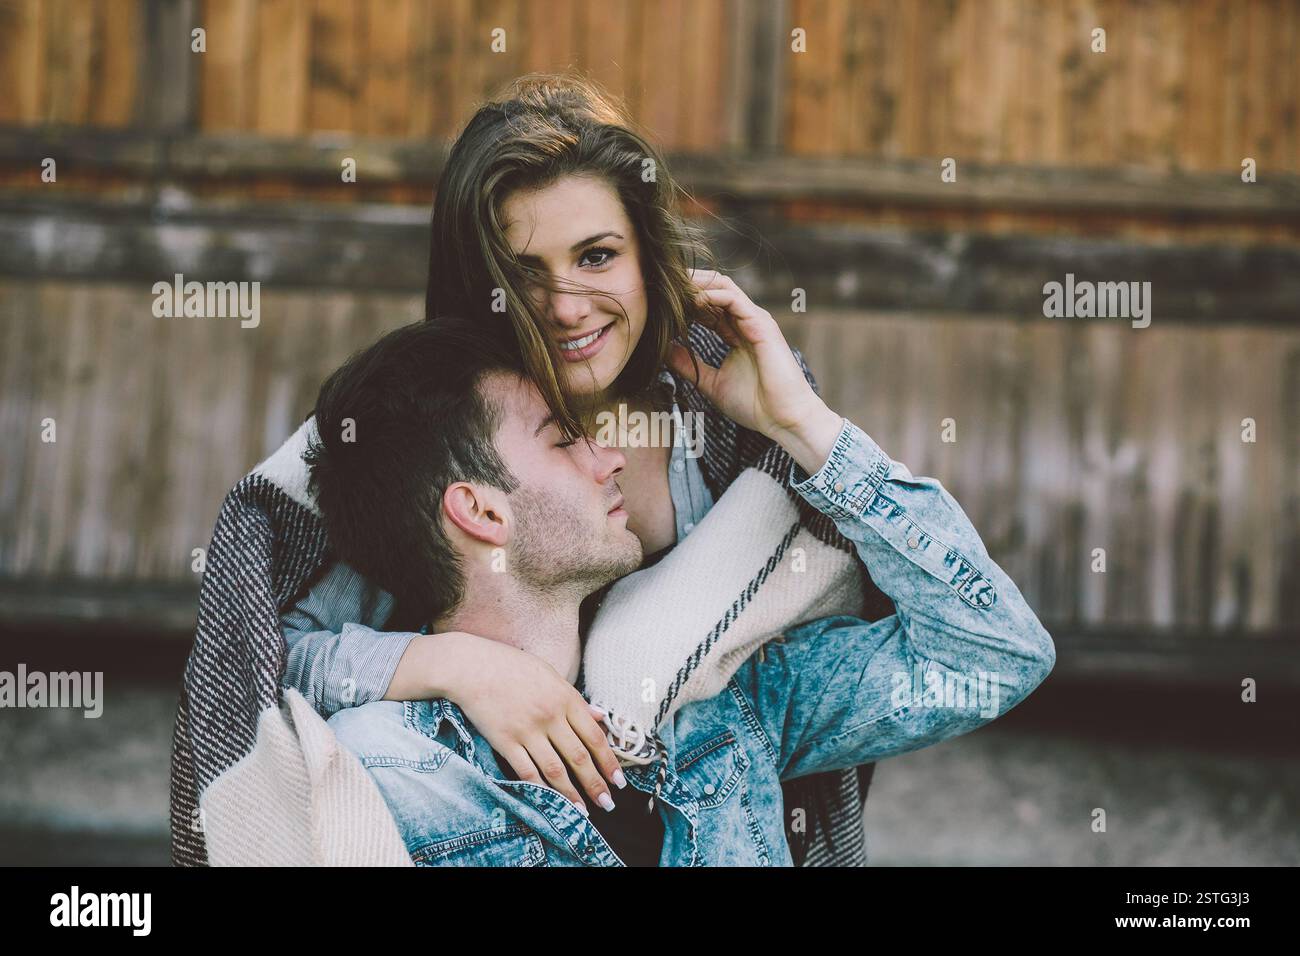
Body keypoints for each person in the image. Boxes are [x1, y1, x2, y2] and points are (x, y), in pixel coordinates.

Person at [279, 72, 897, 866]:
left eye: (598, 256)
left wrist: (800, 424)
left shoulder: (727, 421)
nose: (567, 308)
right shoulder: (427, 427)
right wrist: (459, 667)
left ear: (648, 256)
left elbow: (874, 621)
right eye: (525, 273)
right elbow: (272, 658)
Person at [303, 315, 1056, 867]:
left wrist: (802, 426)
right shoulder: (385, 770)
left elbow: (996, 654)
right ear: (481, 511)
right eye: (566, 440)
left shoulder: (728, 700)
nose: (609, 459)